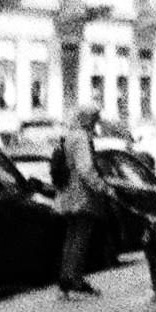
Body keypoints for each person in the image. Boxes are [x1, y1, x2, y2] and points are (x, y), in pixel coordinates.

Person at [56, 107, 106, 298]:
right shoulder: (82, 137)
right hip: (81, 196)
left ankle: (66, 278)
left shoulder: (69, 135)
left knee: (71, 236)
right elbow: (85, 168)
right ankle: (72, 280)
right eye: (95, 119)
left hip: (67, 194)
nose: (96, 123)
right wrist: (102, 187)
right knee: (80, 237)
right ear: (88, 119)